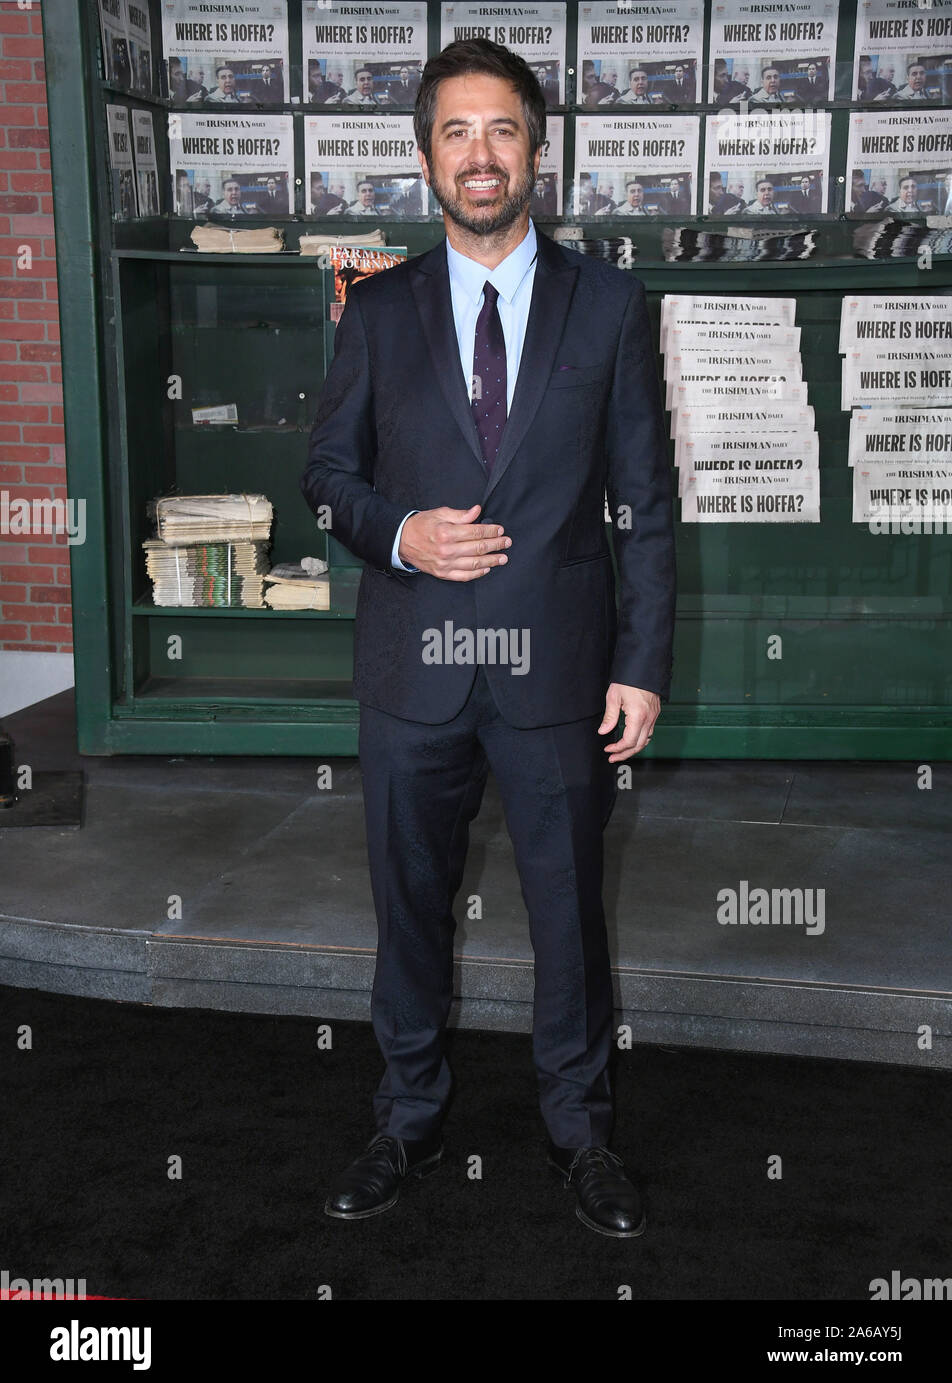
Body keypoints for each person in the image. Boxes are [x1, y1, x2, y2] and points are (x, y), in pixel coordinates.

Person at [301, 36, 676, 1238]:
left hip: (559, 675)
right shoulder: (378, 307)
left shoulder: (608, 304)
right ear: (425, 157)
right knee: (410, 909)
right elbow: (324, 477)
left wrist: (641, 663)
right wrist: (399, 534)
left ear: (535, 151)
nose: (480, 154)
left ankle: (581, 1134)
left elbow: (644, 501)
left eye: (501, 129)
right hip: (412, 671)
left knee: (569, 913)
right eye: (456, 132)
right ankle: (405, 1118)